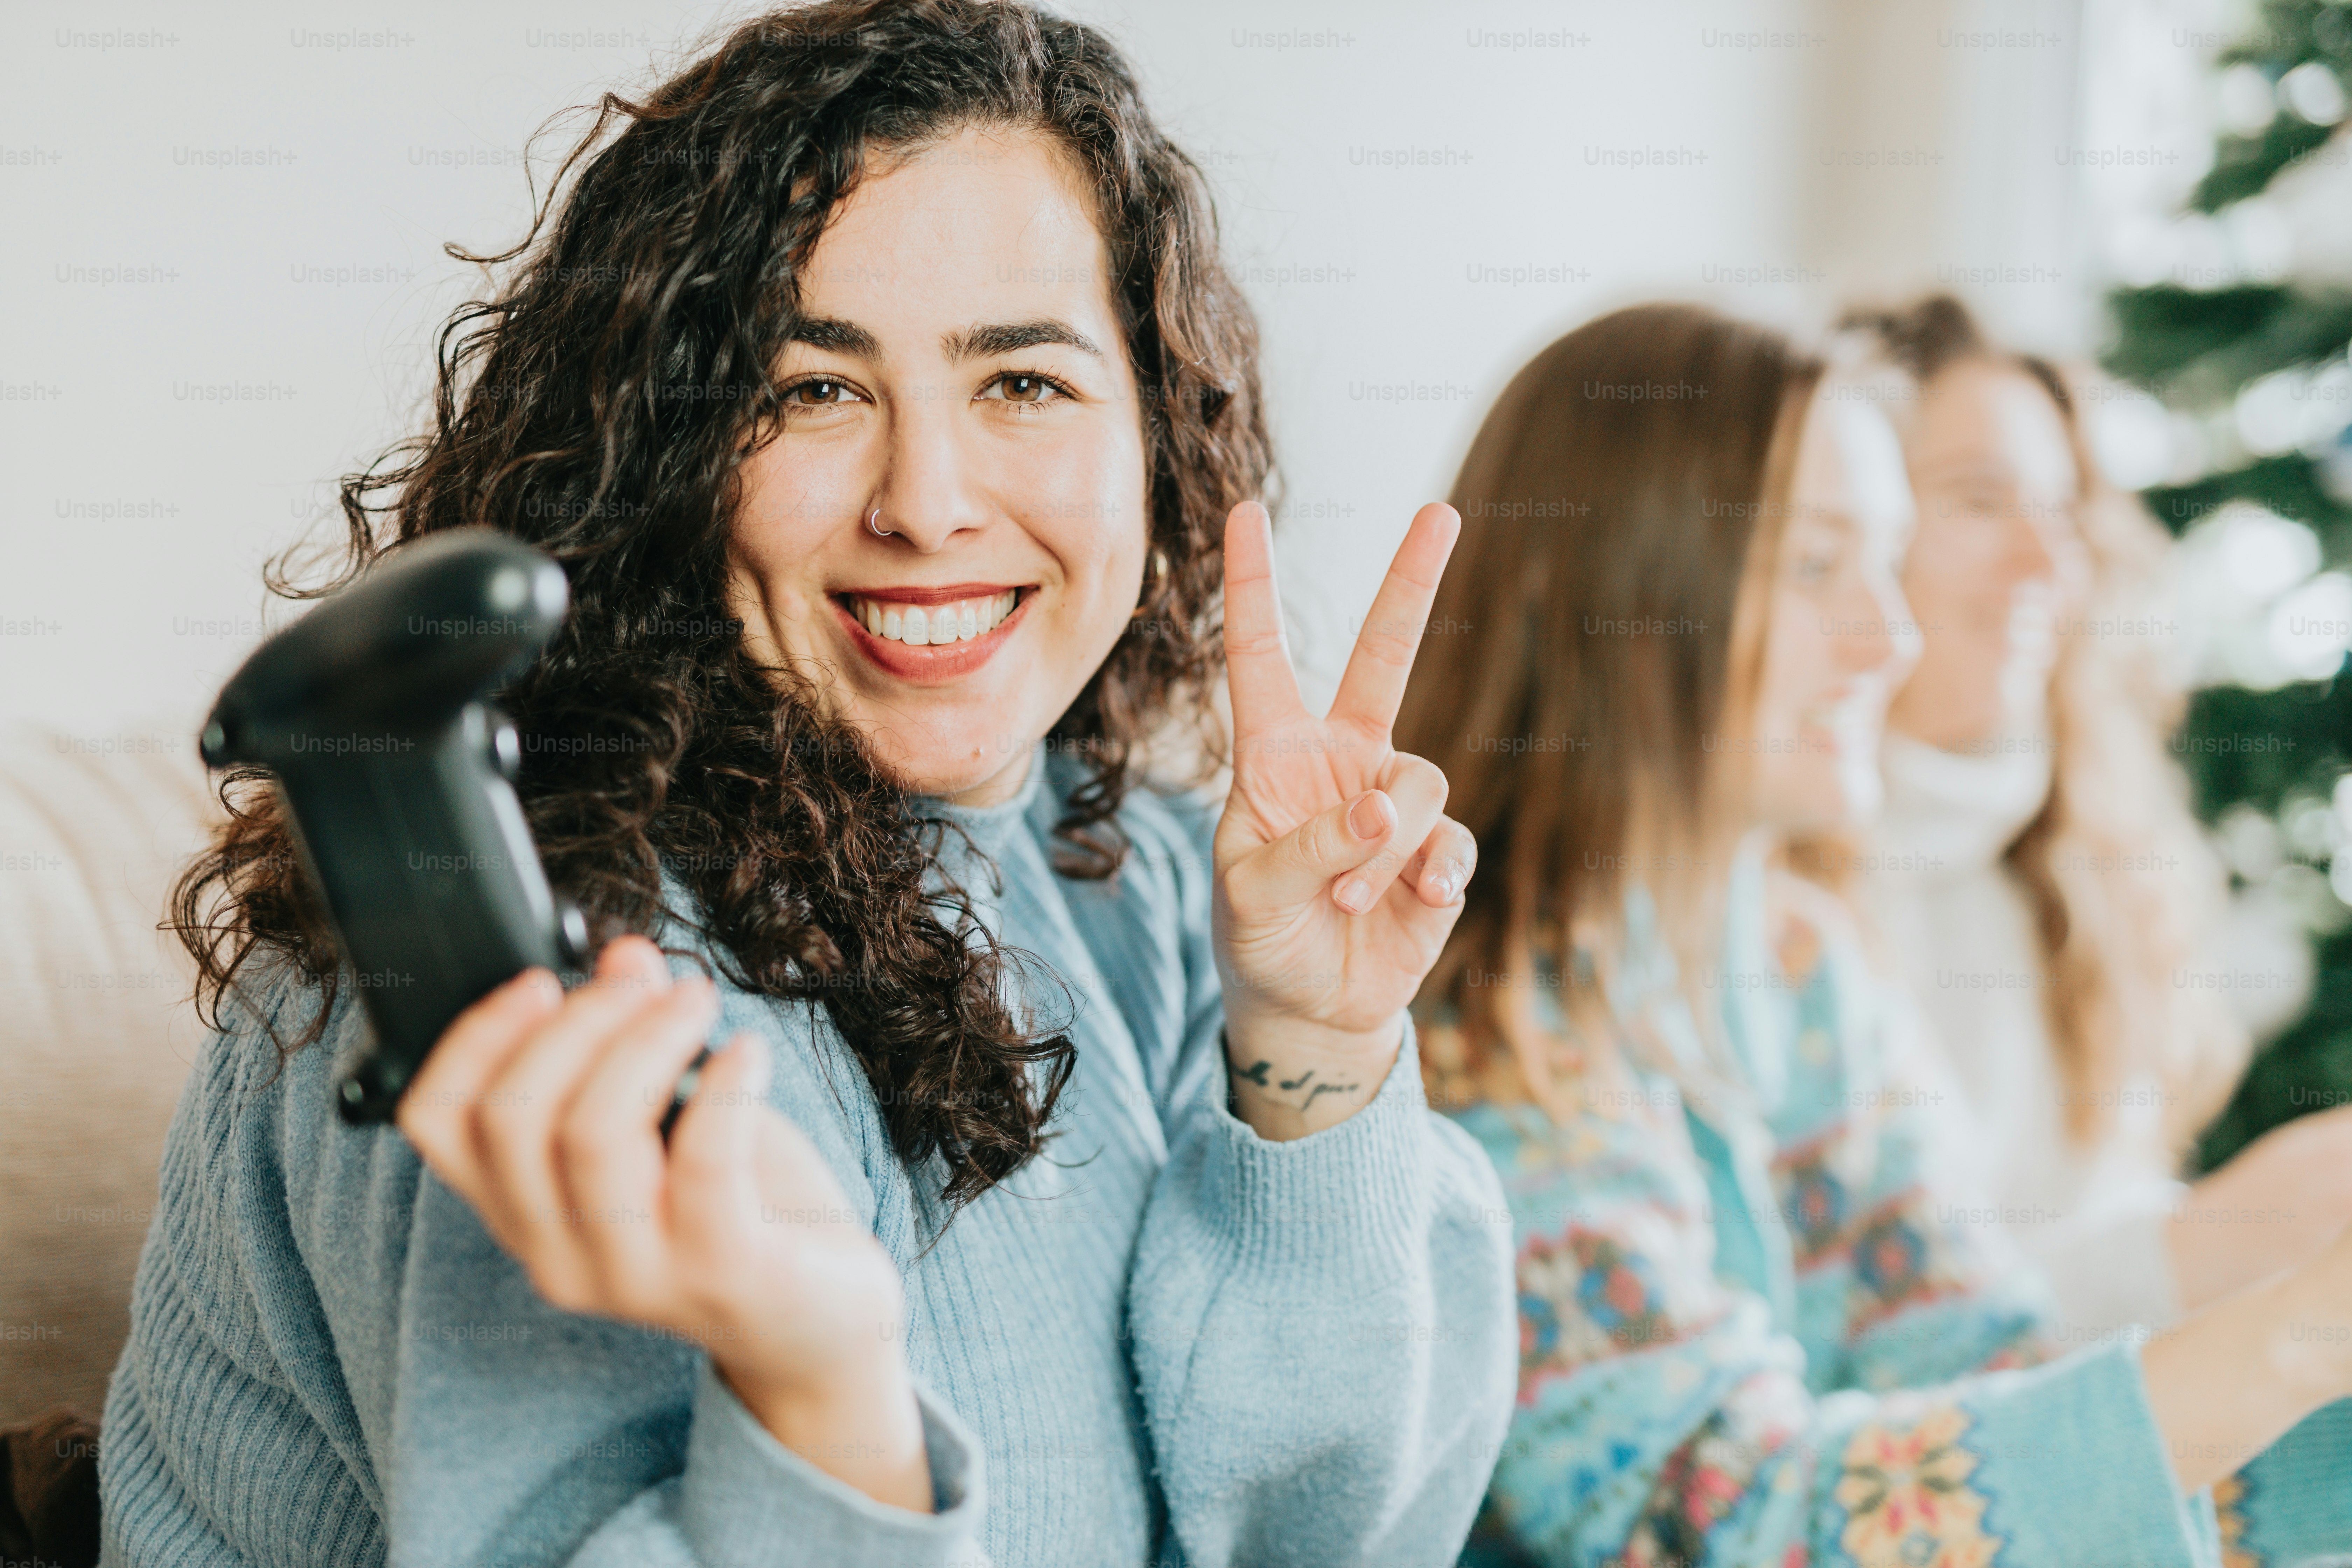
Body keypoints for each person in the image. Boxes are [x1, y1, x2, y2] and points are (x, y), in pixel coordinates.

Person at [101, 5, 1518, 1564]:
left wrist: (1312, 1049)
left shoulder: (1148, 886)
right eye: (809, 389)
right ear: (655, 451)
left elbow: (1326, 1542)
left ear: (1160, 439)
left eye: (1024, 383)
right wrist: (823, 1393)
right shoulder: (537, 986)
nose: (927, 504)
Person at [1396, 301, 2352, 1566]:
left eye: (1886, 562)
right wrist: (2296, 1336)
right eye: (1814, 566)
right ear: (1610, 591)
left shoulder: (1794, 964)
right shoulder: (1473, 1006)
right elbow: (1714, 1525)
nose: (1888, 637)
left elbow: (1974, 1389)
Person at [1843, 294, 2352, 1341]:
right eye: (1980, 501)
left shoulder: (2091, 855)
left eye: (2064, 509)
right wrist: (2220, 1247)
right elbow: (1879, 1365)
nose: (2046, 564)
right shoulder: (1774, 903)